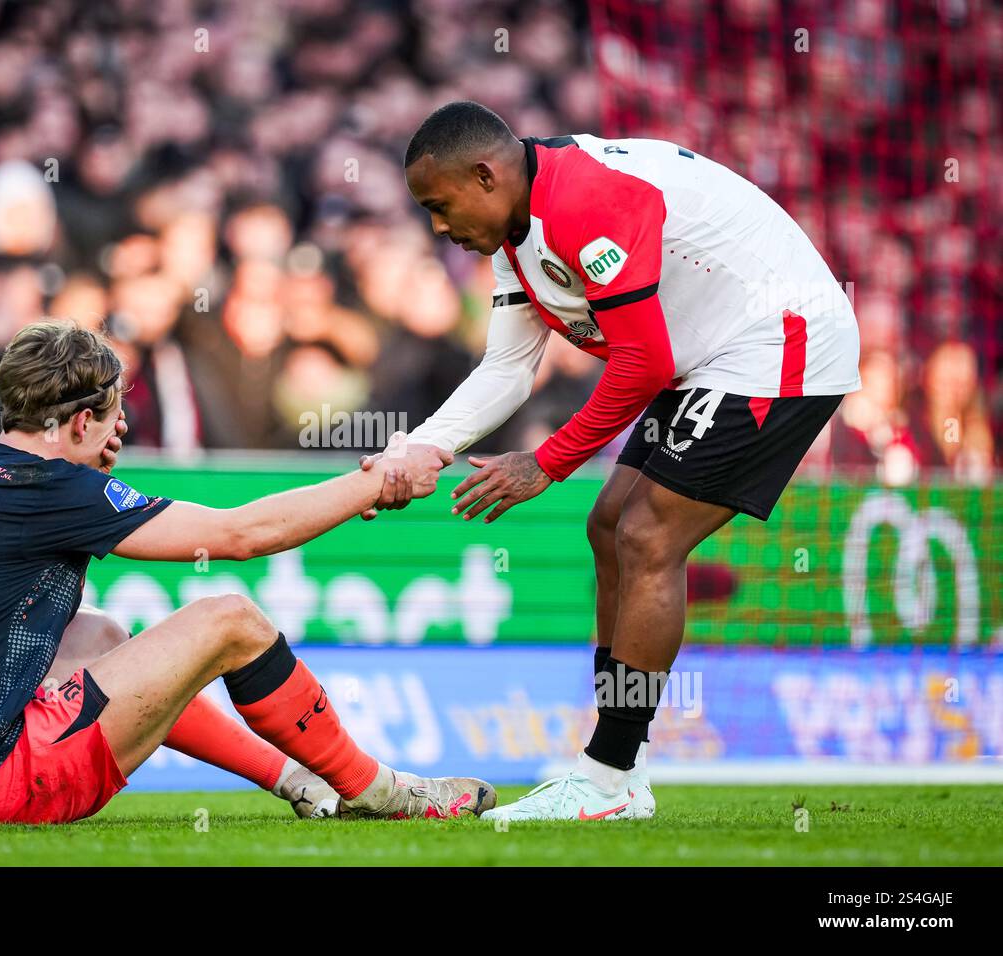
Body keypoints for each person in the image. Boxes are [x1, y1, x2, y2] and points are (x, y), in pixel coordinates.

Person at [362, 101, 860, 822]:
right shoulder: (515, 229)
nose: (439, 227)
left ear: (484, 174)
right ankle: (622, 772)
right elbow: (507, 367)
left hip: (778, 342)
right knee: (609, 529)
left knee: (647, 536)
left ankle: (604, 779)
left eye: (440, 207)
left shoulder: (584, 200)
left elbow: (644, 360)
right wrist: (419, 449)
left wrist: (546, 462)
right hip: (711, 355)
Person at [0, 320, 496, 825]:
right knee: (232, 621)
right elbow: (245, 534)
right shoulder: (54, 489)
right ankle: (375, 789)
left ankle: (295, 778)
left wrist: (84, 474)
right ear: (82, 422)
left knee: (101, 637)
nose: (121, 429)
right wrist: (376, 484)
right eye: (114, 416)